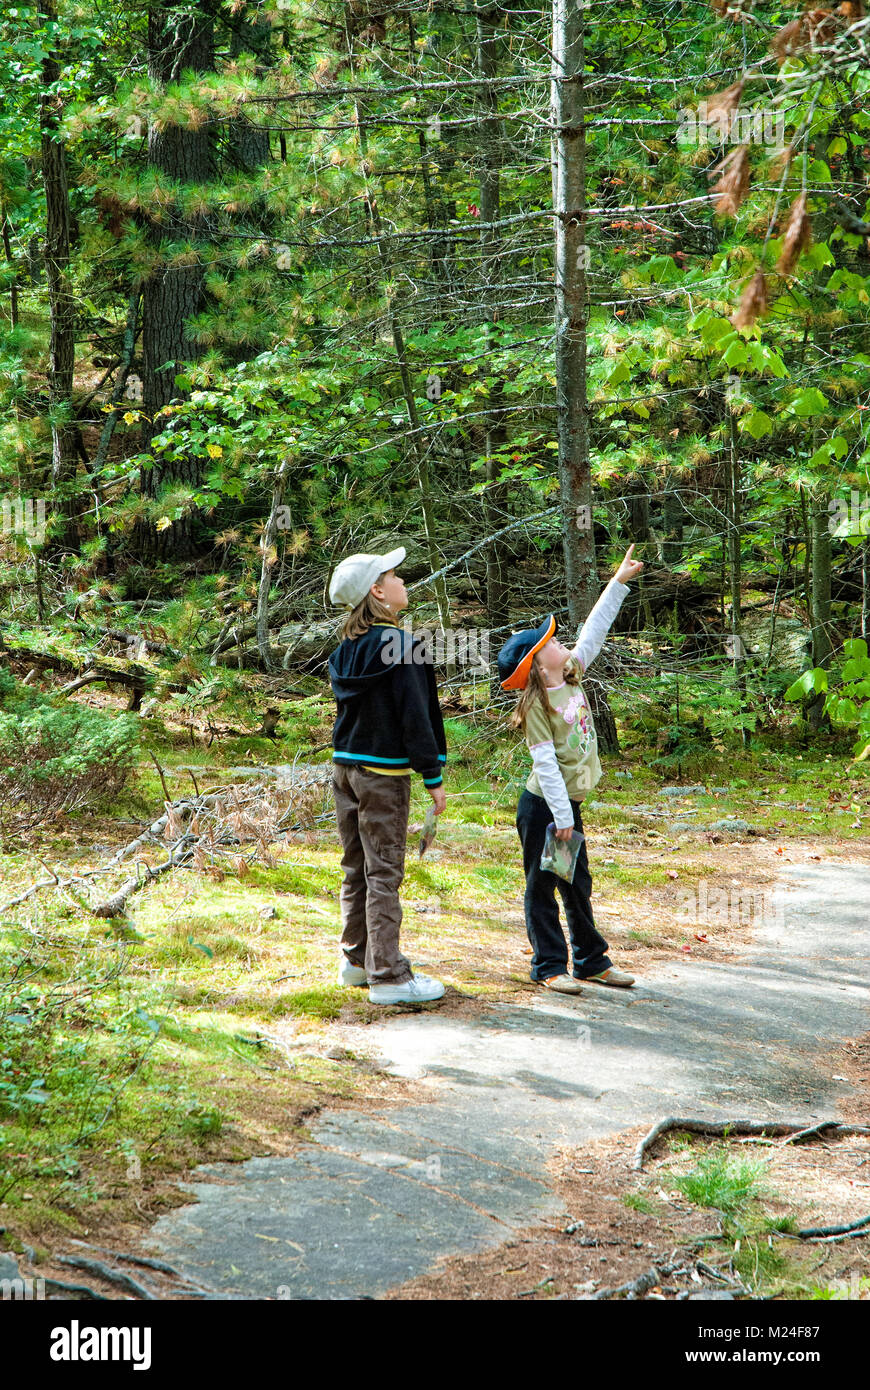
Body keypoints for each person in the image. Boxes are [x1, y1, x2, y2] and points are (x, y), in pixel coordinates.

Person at [497, 545, 644, 995]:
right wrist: (561, 818)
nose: (565, 644)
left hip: (567, 810)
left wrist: (617, 583)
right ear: (539, 666)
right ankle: (548, 967)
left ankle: (591, 961)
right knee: (542, 885)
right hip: (544, 809)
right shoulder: (540, 704)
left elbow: (594, 632)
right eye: (555, 644)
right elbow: (546, 763)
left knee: (576, 883)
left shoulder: (573, 673)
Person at [327, 546, 447, 1005]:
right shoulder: (402, 645)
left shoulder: (346, 649)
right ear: (378, 590)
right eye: (393, 575)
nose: (402, 580)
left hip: (345, 769)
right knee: (384, 871)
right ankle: (389, 977)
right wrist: (432, 776)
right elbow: (415, 718)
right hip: (382, 776)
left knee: (356, 866)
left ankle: (356, 961)